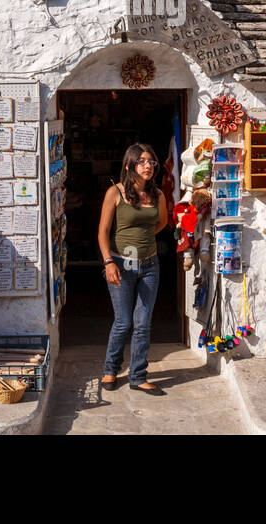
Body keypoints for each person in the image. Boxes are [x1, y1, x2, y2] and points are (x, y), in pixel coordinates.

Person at [99, 143, 170, 395]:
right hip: (120, 264)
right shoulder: (115, 193)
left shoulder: (158, 195)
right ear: (129, 165)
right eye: (142, 161)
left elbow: (163, 221)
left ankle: (138, 375)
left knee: (143, 323)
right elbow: (103, 232)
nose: (148, 166)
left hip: (150, 265)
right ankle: (111, 369)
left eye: (151, 162)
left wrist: (145, 239)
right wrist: (108, 262)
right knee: (123, 322)